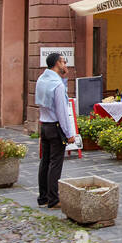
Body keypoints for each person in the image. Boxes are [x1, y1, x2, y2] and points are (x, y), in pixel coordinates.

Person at [35, 52, 76, 209]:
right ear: (57, 63)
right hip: (56, 125)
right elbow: (62, 111)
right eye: (64, 62)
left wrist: (63, 77)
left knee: (45, 161)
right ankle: (53, 199)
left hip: (44, 124)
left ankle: (43, 197)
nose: (65, 65)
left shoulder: (42, 79)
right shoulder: (57, 85)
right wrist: (69, 133)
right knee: (55, 163)